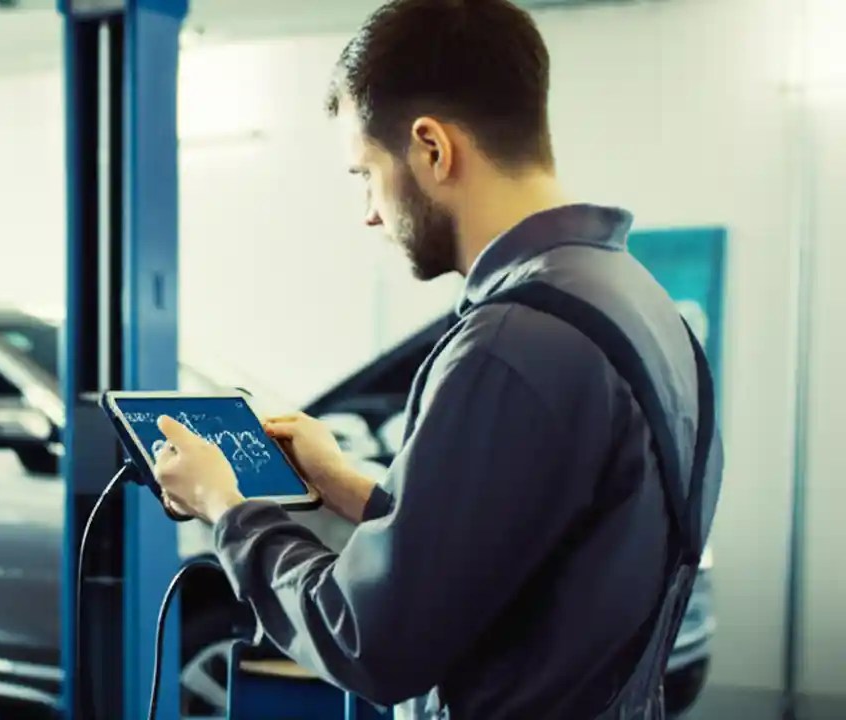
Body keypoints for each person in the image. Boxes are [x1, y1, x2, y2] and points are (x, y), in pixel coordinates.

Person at [151, 1, 724, 719]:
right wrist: (338, 482)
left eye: (365, 173)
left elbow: (366, 640)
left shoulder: (512, 343)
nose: (367, 211)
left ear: (431, 148)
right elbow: (518, 552)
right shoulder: (641, 306)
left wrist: (226, 508)